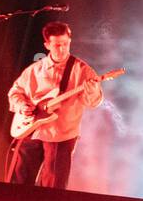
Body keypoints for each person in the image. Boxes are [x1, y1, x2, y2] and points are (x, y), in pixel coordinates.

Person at [7, 21, 103, 189]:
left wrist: (93, 91)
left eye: (65, 44)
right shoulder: (35, 70)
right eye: (57, 45)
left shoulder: (82, 70)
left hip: (61, 136)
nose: (62, 49)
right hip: (31, 131)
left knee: (53, 189)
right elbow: (15, 92)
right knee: (18, 184)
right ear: (47, 45)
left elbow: (94, 102)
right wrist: (22, 105)